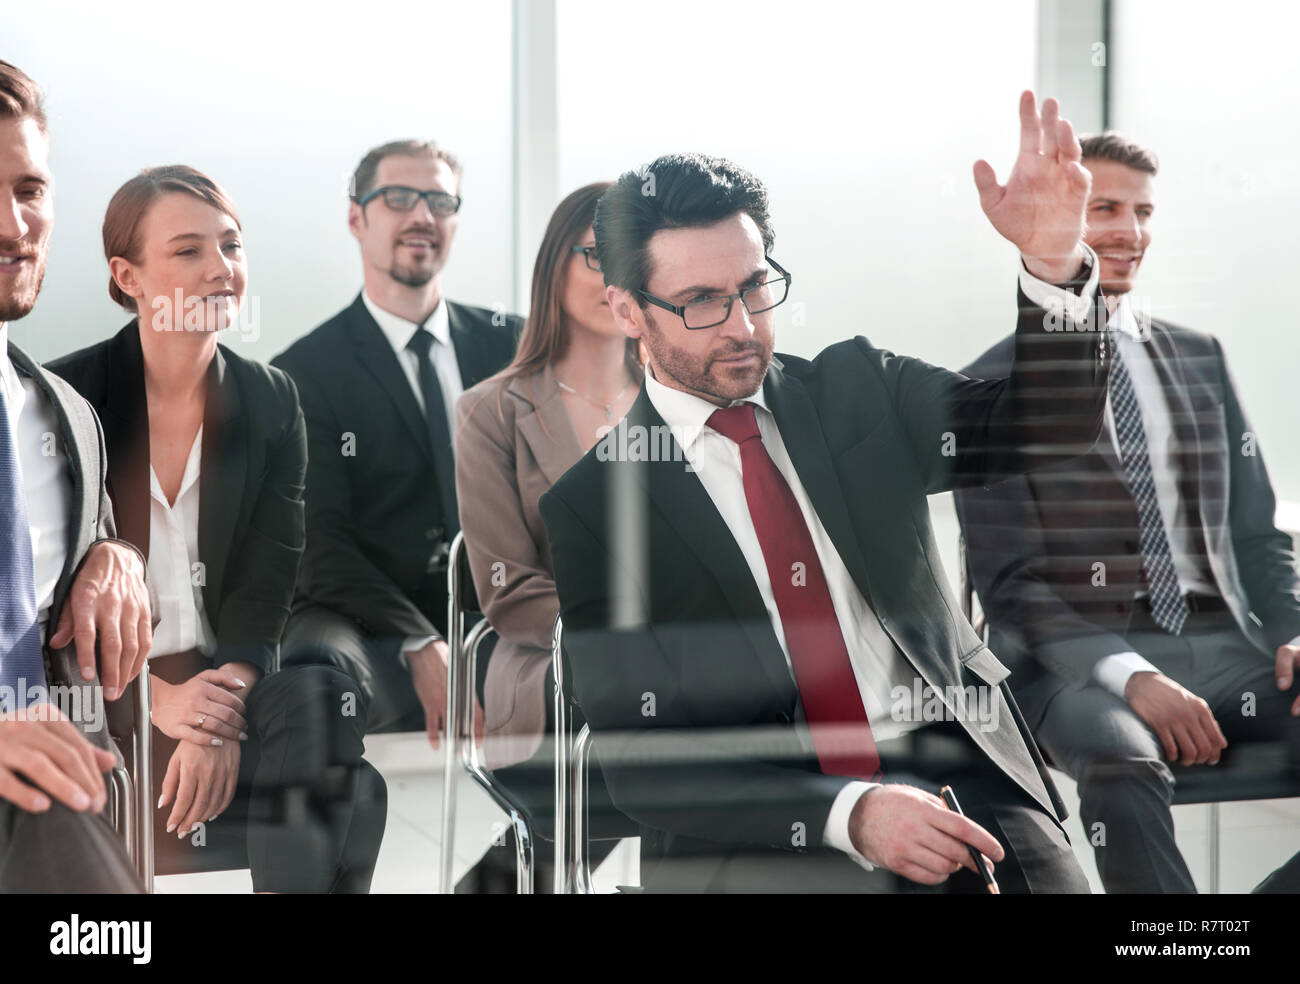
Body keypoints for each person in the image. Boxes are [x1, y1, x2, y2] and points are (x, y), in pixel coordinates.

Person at [539, 92, 1107, 893]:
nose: (742, 326)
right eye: (701, 302)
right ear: (628, 310)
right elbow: (640, 763)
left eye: (755, 286)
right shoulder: (596, 507)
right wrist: (854, 814)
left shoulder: (859, 393)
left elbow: (1046, 426)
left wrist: (1054, 267)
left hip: (951, 766)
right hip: (771, 815)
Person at [955, 132, 1300, 893]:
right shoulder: (990, 386)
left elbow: (1254, 532)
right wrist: (1132, 674)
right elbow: (1010, 586)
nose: (1128, 232)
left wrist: (1293, 631)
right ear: (1060, 217)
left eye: (1142, 212)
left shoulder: (1200, 356)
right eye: (1104, 207)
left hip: (1219, 647)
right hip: (1069, 670)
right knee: (1121, 764)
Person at [49, 165, 387, 893]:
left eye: (230, 246)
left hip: (222, 676)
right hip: (105, 697)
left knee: (318, 698)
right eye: (188, 251)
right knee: (357, 794)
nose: (220, 269)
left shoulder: (270, 402)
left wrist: (220, 708)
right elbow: (49, 603)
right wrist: (160, 701)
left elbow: (269, 586)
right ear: (126, 275)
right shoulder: (67, 401)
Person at [273, 140, 521, 744]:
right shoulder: (304, 372)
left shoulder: (512, 345)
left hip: (501, 608)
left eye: (440, 201)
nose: (422, 217)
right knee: (316, 667)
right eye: (400, 198)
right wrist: (417, 638)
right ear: (357, 218)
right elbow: (319, 544)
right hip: (374, 620)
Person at [454, 182, 641, 890]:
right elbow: (507, 590)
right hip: (549, 669)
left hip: (684, 663)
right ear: (552, 268)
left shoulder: (681, 402)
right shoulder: (492, 411)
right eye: (595, 256)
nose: (613, 277)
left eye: (631, 259)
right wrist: (625, 640)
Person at [0, 60, 150, 893]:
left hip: (59, 783)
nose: (11, 223)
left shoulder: (68, 416)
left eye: (30, 188)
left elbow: (81, 544)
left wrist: (115, 553)